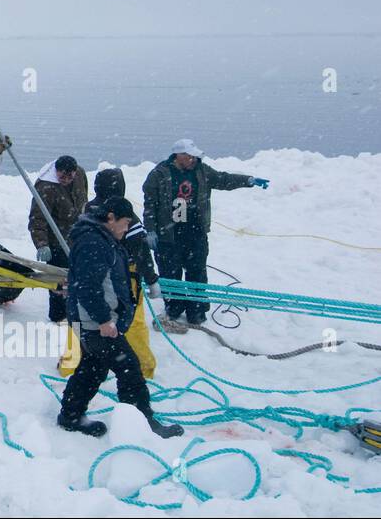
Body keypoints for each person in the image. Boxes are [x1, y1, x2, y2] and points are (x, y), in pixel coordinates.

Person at [57, 196, 183, 439]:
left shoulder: (102, 238)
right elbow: (88, 286)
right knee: (129, 369)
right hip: (96, 322)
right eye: (125, 223)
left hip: (96, 321)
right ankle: (141, 424)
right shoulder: (94, 242)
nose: (126, 230)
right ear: (111, 218)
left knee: (93, 367)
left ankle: (71, 415)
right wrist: (104, 319)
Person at [142, 139, 269, 326]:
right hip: (168, 236)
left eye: (195, 156)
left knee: (197, 273)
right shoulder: (158, 175)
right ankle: (174, 307)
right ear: (179, 156)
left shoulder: (202, 171)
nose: (194, 159)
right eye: (190, 156)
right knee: (170, 275)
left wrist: (248, 180)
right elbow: (150, 206)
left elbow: (224, 180)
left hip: (195, 233)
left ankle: (197, 310)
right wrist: (150, 230)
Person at [28, 155, 88, 323]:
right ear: (56, 172)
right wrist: (42, 244)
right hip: (56, 240)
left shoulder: (80, 175)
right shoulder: (45, 186)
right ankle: (58, 316)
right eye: (63, 176)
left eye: (70, 176)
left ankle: (76, 311)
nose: (66, 180)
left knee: (78, 277)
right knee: (59, 280)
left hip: (77, 237)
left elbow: (84, 201)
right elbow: (37, 218)